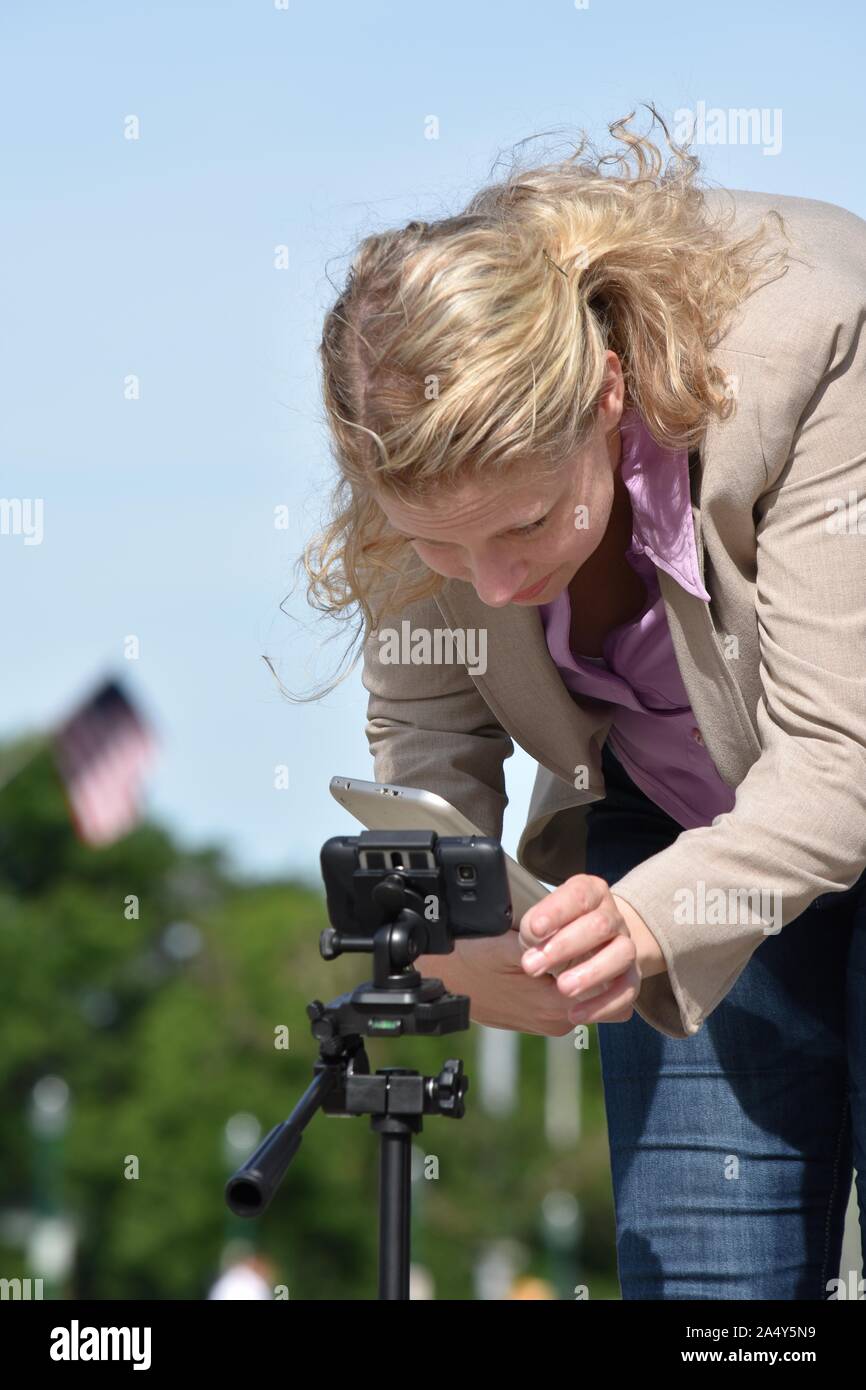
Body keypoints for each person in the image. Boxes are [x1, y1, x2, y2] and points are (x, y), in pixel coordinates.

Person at [298, 106, 866, 1298]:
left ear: (607, 395)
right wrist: (460, 935)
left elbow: (837, 761)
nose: (493, 581)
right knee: (711, 1297)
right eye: (439, 547)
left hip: (813, 786)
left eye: (523, 523)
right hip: (674, 830)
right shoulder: (418, 466)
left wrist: (650, 920)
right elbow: (430, 762)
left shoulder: (813, 343)